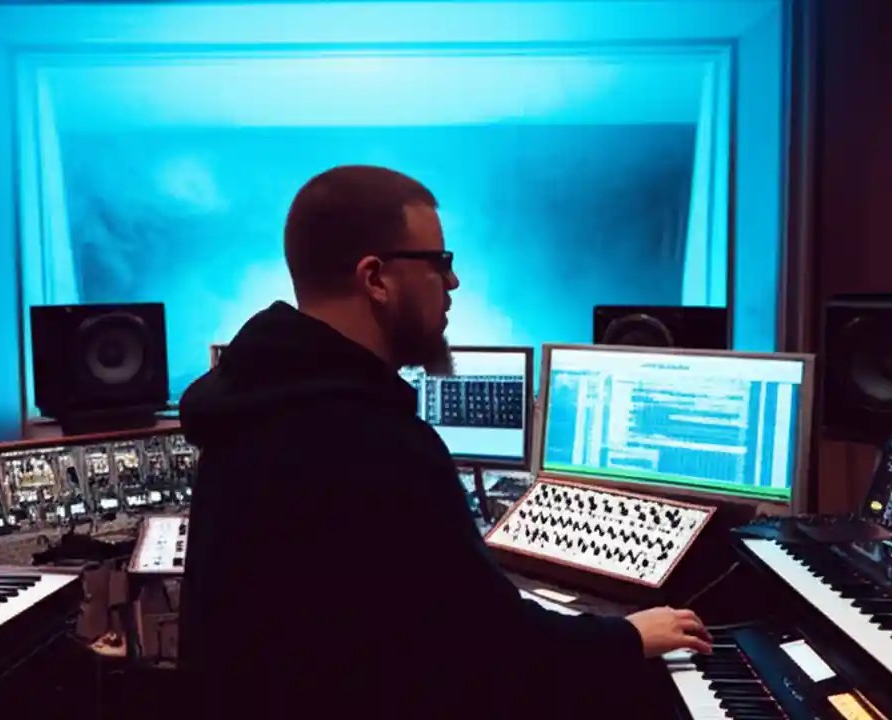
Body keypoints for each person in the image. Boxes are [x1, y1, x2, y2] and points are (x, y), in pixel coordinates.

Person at [178, 165, 712, 718]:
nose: (453, 283)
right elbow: (498, 646)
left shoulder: (250, 408)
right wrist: (628, 637)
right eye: (440, 262)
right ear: (376, 279)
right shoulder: (372, 442)